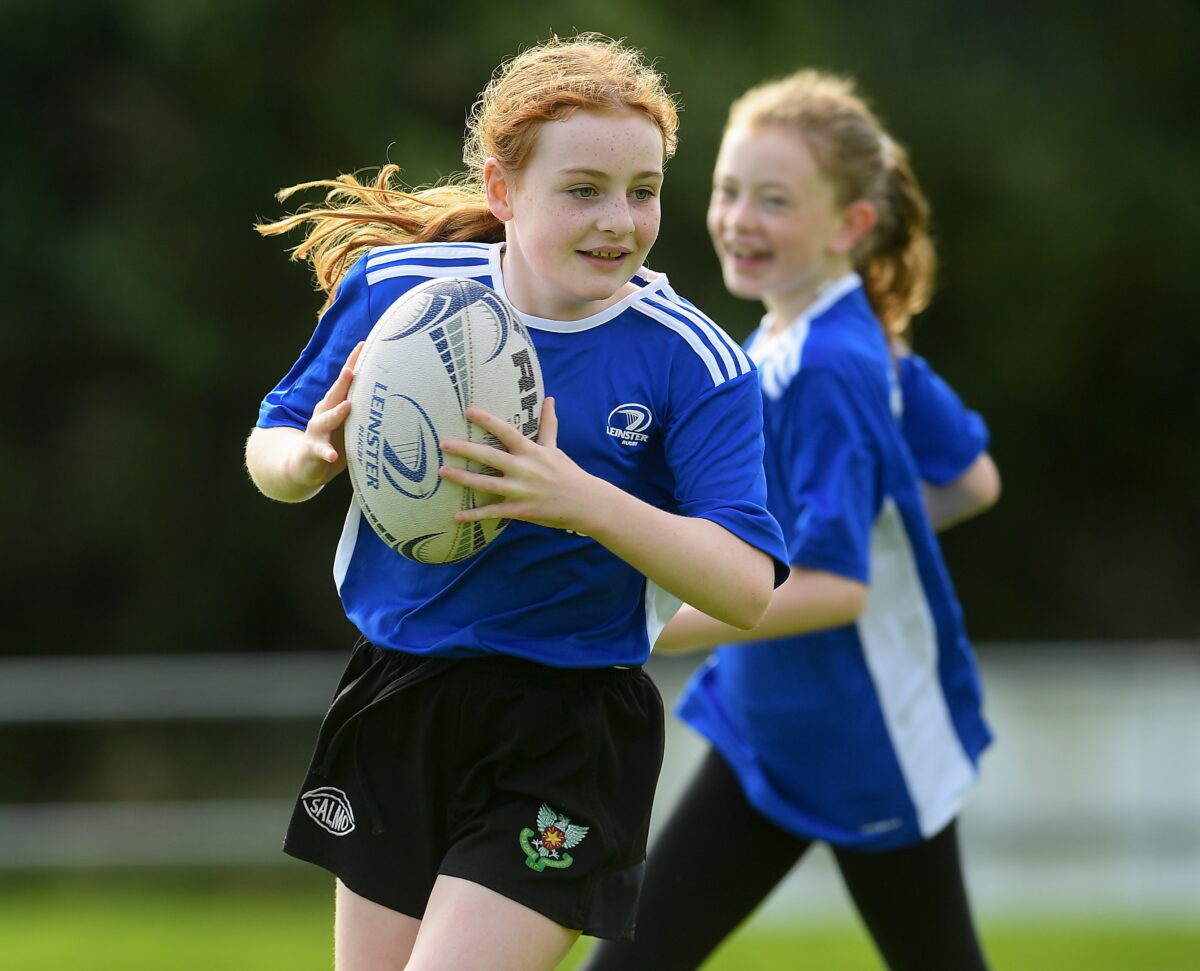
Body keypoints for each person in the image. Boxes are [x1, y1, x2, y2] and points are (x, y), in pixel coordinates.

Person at [244, 33, 789, 971]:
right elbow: (269, 445)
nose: (620, 218)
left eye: (644, 189)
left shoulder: (691, 360)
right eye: (583, 189)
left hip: (568, 729)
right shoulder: (398, 293)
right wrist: (311, 457)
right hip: (399, 692)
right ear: (502, 191)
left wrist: (580, 500)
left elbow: (747, 588)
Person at [582, 70, 1000, 971]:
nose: (738, 218)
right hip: (765, 728)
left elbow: (838, 587)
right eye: (730, 190)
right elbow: (973, 481)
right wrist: (884, 528)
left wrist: (647, 629)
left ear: (849, 224)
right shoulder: (823, 332)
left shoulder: (833, 365)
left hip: (867, 742)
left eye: (774, 200)